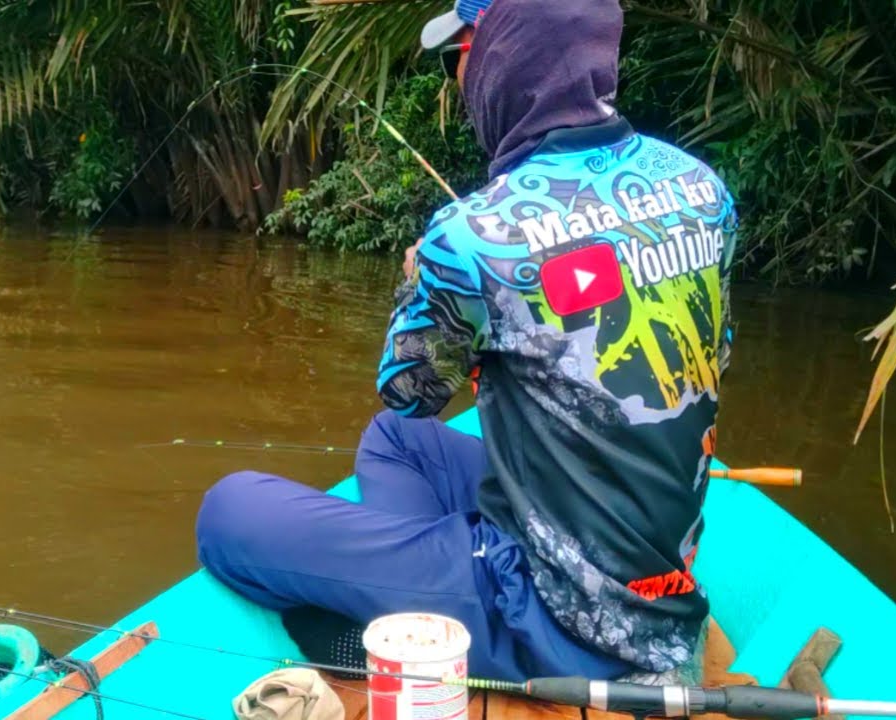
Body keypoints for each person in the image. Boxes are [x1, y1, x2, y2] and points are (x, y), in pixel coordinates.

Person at [196, 0, 737, 684]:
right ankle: (424, 589)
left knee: (228, 512)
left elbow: (411, 391)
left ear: (506, 52)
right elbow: (711, 357)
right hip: (659, 580)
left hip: (562, 624)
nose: (460, 76)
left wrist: (417, 283)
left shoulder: (473, 235)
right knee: (393, 443)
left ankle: (447, 615)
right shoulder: (700, 188)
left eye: (464, 52)